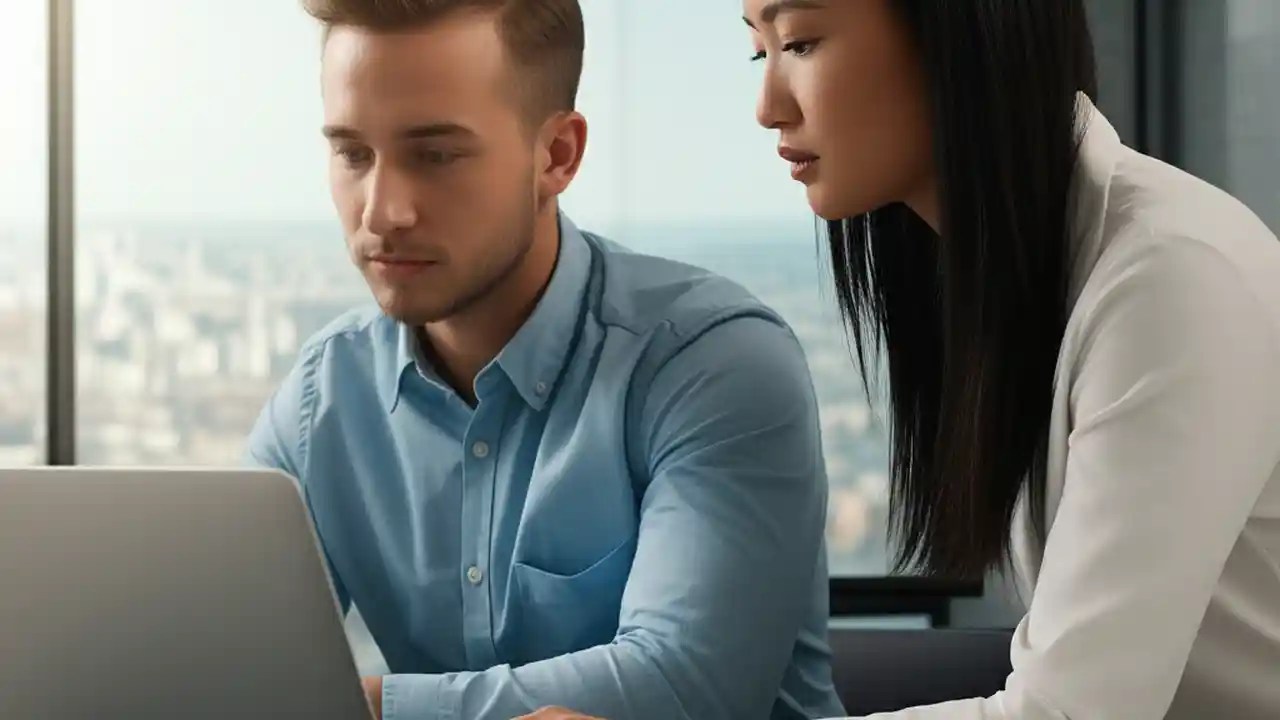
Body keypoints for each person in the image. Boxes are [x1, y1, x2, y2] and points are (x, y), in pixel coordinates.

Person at [526, 0, 1280, 719]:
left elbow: (1069, 713)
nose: (767, 106)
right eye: (760, 49)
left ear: (959, 31)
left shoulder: (1170, 278)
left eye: (800, 43)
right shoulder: (1000, 273)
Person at [246, 1, 848, 719]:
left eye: (434, 155)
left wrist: (364, 709)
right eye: (352, 154)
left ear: (556, 156)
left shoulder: (711, 362)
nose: (382, 212)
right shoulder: (324, 397)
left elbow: (682, 686)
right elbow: (227, 656)